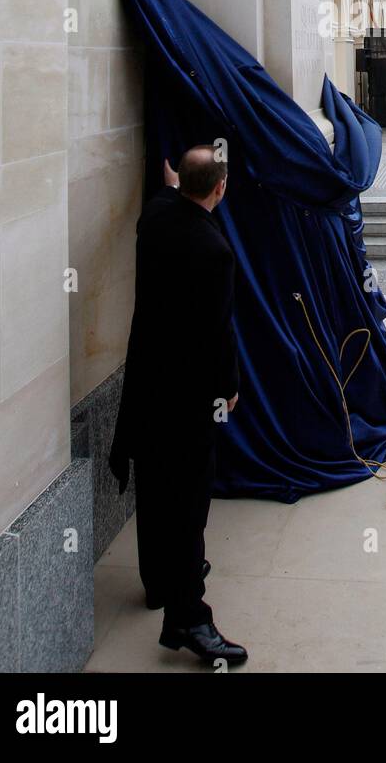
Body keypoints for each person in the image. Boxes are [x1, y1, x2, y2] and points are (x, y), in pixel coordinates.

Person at [109, 146, 246, 667]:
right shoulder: (214, 251)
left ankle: (159, 583)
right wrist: (228, 387)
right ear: (220, 189)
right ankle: (189, 618)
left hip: (147, 387)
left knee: (157, 489)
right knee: (189, 506)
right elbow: (218, 332)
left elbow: (169, 195)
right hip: (188, 400)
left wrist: (173, 185)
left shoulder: (157, 215)